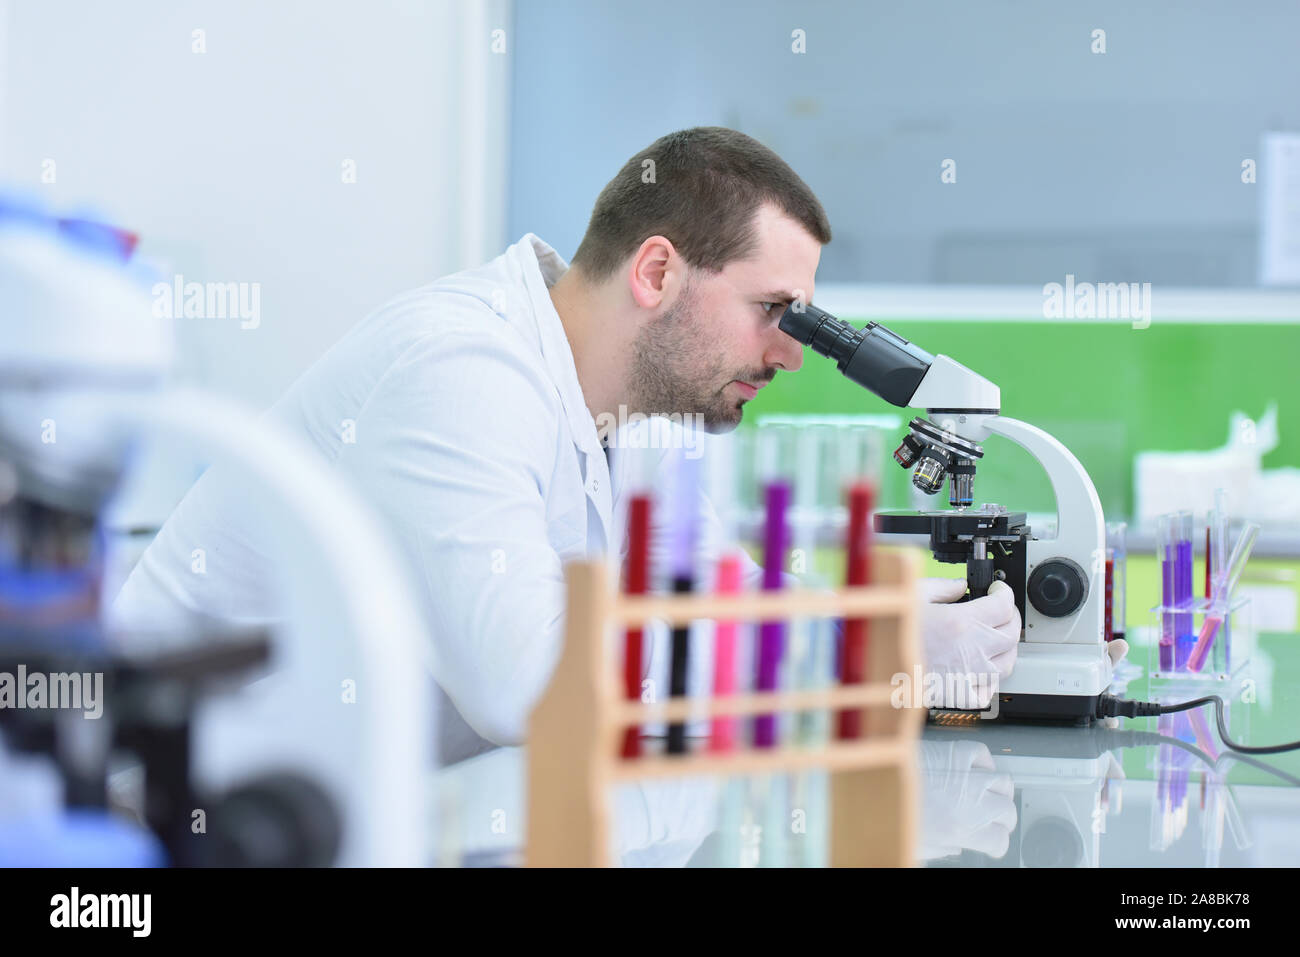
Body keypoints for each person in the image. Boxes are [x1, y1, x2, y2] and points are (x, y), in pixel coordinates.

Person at [113, 127, 1028, 764]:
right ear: (658, 270)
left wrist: (890, 624)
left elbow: (721, 591)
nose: (791, 352)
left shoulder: (627, 411)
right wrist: (865, 654)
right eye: (774, 311)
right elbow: (528, 686)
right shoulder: (463, 369)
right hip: (175, 822)